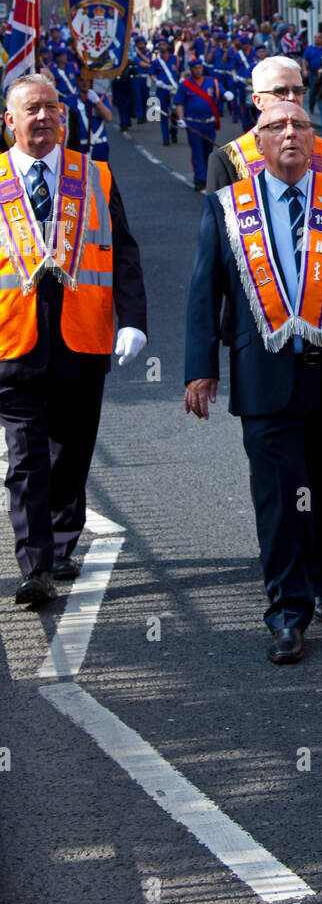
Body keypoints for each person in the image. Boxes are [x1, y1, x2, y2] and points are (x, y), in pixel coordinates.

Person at [184, 100, 322, 662]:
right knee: (280, 495)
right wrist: (200, 368)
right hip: (267, 376)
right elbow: (205, 293)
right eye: (274, 127)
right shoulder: (226, 208)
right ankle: (286, 611)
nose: (288, 134)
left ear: (314, 139)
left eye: (299, 125)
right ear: (256, 143)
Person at [0, 75, 147, 606]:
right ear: (8, 120)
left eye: (51, 109)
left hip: (82, 336)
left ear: (63, 116)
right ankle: (35, 566)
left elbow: (123, 252)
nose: (42, 118)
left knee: (73, 450)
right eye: (30, 110)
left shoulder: (95, 176)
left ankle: (62, 542)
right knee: (26, 459)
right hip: (12, 343)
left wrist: (132, 320)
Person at [206, 56, 322, 193]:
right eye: (280, 91)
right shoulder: (227, 160)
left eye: (297, 91)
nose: (291, 98)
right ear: (258, 101)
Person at [175, 58, 221, 192]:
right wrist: (180, 119)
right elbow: (179, 103)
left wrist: (227, 95)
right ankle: (200, 179)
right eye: (195, 68)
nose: (197, 70)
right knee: (197, 152)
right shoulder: (185, 85)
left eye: (200, 67)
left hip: (209, 123)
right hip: (193, 123)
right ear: (190, 70)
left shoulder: (212, 82)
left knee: (208, 151)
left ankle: (209, 177)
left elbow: (221, 93)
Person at [65, 69, 114, 163]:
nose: (85, 83)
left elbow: (109, 118)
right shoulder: (69, 100)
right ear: (77, 81)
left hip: (99, 144)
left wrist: (97, 102)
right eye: (81, 80)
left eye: (88, 80)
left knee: (102, 175)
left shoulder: (101, 97)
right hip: (79, 144)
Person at [153, 36, 181, 147]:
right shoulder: (156, 62)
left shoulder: (176, 59)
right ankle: (165, 137)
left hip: (174, 89)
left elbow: (182, 71)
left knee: (175, 113)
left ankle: (173, 131)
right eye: (160, 45)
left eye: (164, 44)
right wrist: (156, 81)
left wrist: (182, 78)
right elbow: (152, 74)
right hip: (162, 90)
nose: (162, 46)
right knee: (163, 114)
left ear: (168, 46)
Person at [302, 30, 322, 112]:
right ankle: (311, 105)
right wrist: (305, 70)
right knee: (313, 90)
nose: (317, 39)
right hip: (313, 72)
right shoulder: (310, 49)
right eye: (315, 37)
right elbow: (304, 60)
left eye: (319, 37)